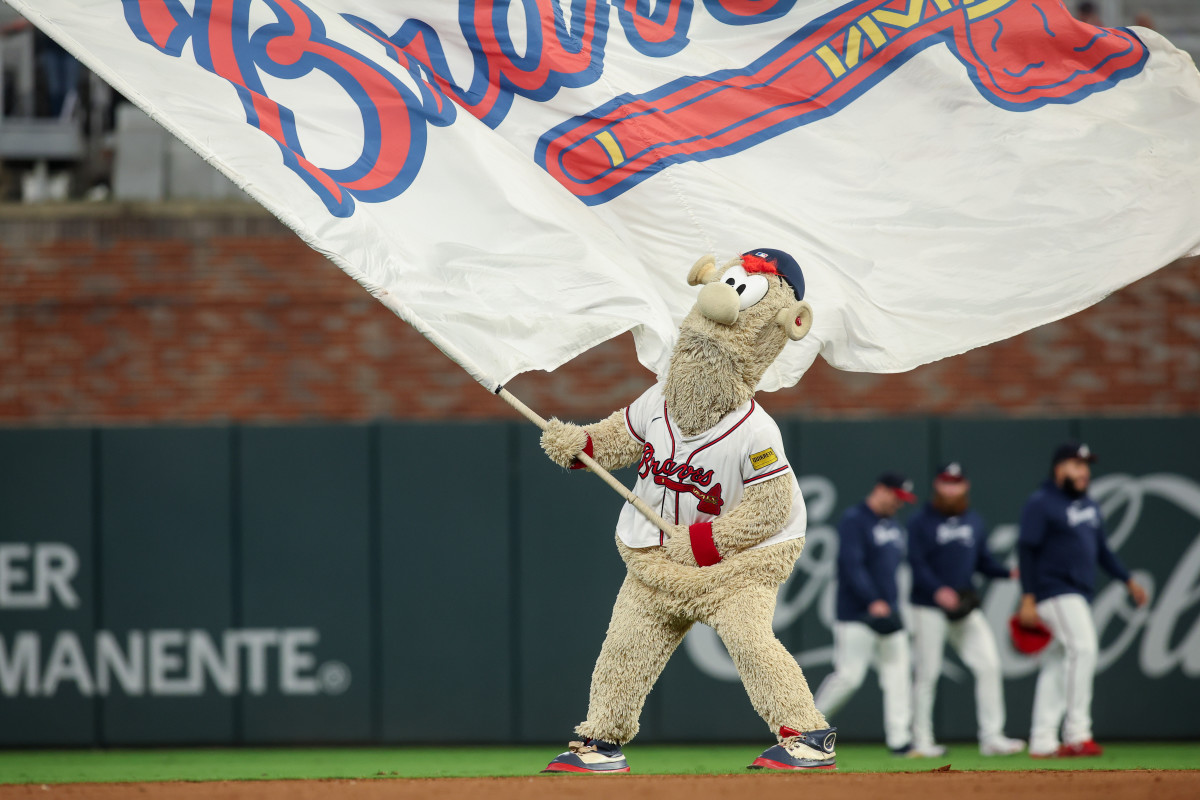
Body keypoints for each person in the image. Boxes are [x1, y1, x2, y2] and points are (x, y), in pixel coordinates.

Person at [1016, 442, 1148, 758]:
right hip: (1055, 590)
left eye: (1086, 465)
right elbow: (1026, 549)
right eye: (1077, 464)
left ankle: (1042, 739)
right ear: (1059, 468)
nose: (1084, 471)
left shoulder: (1089, 504)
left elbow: (1102, 550)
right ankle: (1077, 733)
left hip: (1078, 592)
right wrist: (1028, 597)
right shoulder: (1042, 502)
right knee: (1083, 649)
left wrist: (1126, 579)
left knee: (1058, 662)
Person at [907, 462, 1025, 757]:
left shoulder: (973, 520)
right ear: (937, 485)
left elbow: (983, 560)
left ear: (965, 486)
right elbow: (917, 564)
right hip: (928, 607)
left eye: (956, 483)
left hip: (965, 606)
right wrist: (937, 590)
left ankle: (992, 737)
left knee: (988, 665)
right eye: (946, 482)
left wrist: (1007, 573)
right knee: (928, 673)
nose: (951, 488)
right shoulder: (922, 520)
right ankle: (921, 741)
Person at [814, 472, 916, 755]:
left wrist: (891, 605)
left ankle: (900, 741)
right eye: (896, 497)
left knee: (898, 674)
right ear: (881, 490)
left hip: (889, 614)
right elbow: (851, 564)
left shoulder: (892, 524)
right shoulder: (855, 519)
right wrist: (872, 599)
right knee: (849, 676)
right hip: (856, 613)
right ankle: (805, 730)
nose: (899, 503)